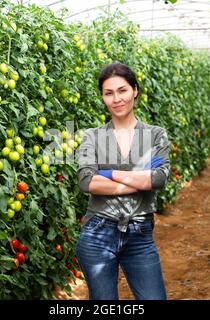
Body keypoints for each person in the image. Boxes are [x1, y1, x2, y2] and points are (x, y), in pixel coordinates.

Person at [76, 61, 171, 300]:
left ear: (135, 90)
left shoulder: (155, 135)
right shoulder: (92, 136)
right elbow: (87, 182)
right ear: (103, 98)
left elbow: (158, 178)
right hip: (98, 233)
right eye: (109, 93)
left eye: (122, 90)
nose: (116, 99)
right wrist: (139, 180)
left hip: (140, 234)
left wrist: (108, 173)